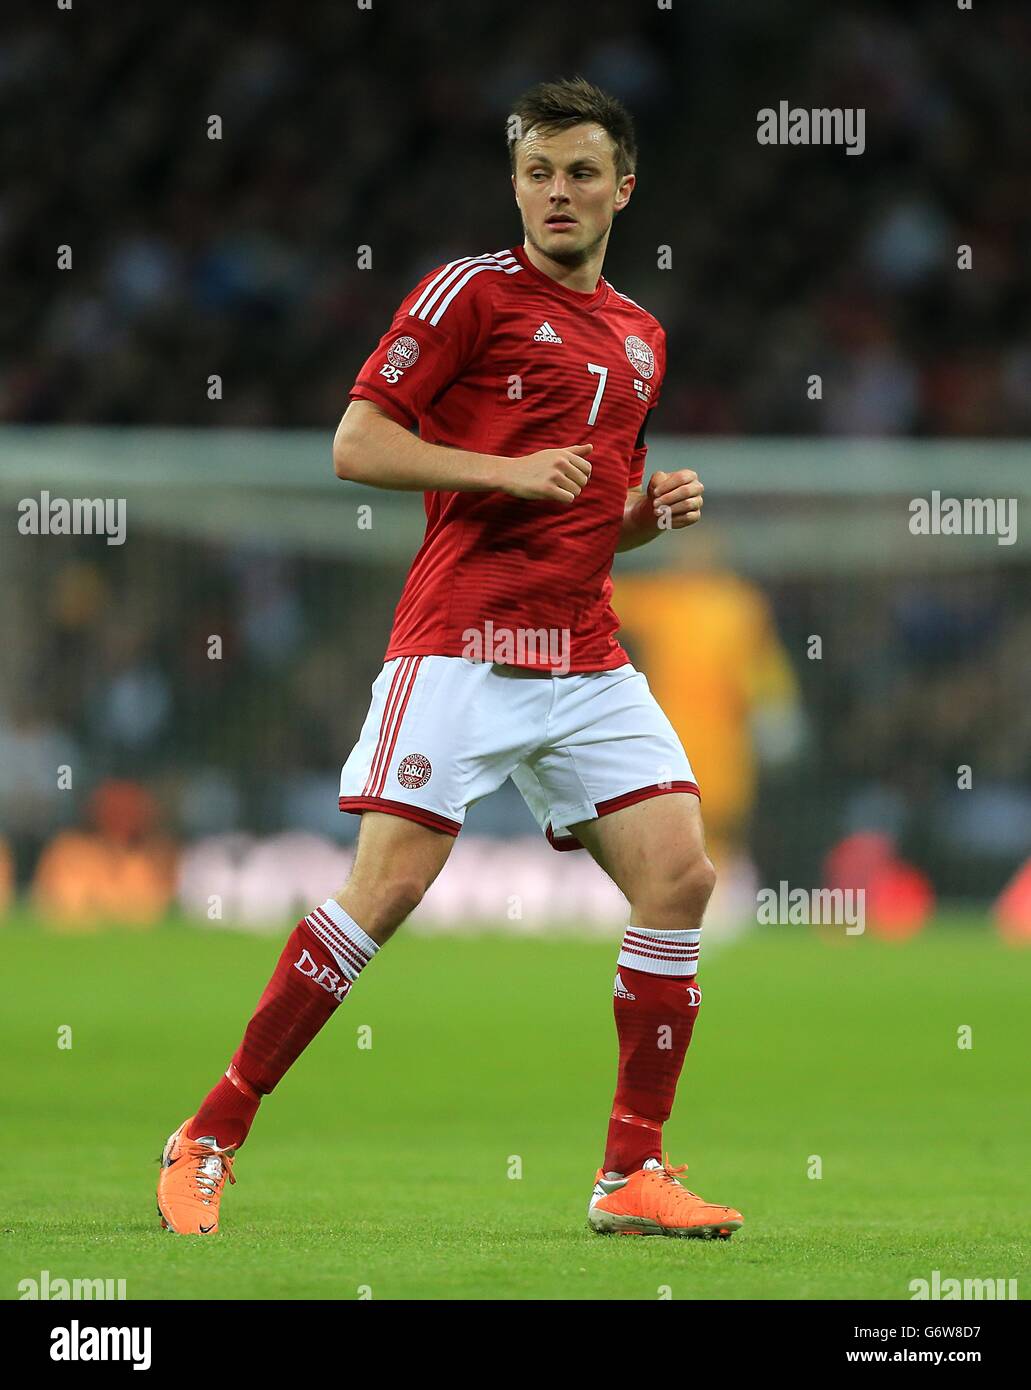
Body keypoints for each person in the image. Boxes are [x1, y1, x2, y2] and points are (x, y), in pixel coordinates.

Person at [157, 76, 743, 1240]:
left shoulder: (639, 336)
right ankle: (209, 1131)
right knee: (387, 891)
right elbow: (356, 442)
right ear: (514, 185)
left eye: (580, 172)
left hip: (580, 653)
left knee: (679, 875)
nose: (556, 192)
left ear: (624, 188)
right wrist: (505, 471)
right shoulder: (469, 293)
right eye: (536, 172)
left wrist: (642, 516)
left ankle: (631, 1172)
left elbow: (584, 509)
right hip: (463, 643)